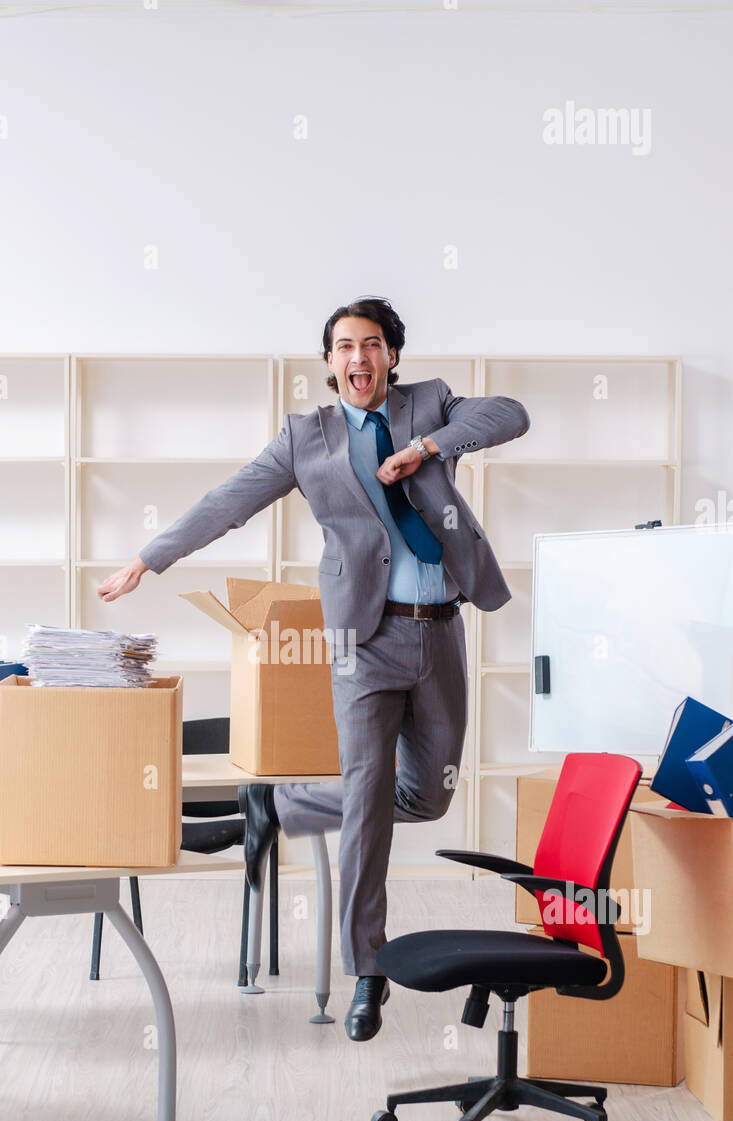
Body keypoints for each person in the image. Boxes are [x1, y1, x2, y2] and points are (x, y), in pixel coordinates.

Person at [99, 296, 529, 1041]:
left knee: (428, 798)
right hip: (360, 642)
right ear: (328, 362)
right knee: (366, 798)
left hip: (442, 633)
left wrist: (425, 449)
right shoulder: (306, 437)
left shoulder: (432, 405)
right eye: (342, 347)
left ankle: (280, 807)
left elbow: (511, 414)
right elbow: (226, 502)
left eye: (370, 345)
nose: (357, 358)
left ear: (391, 355)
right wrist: (148, 556)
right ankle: (367, 970)